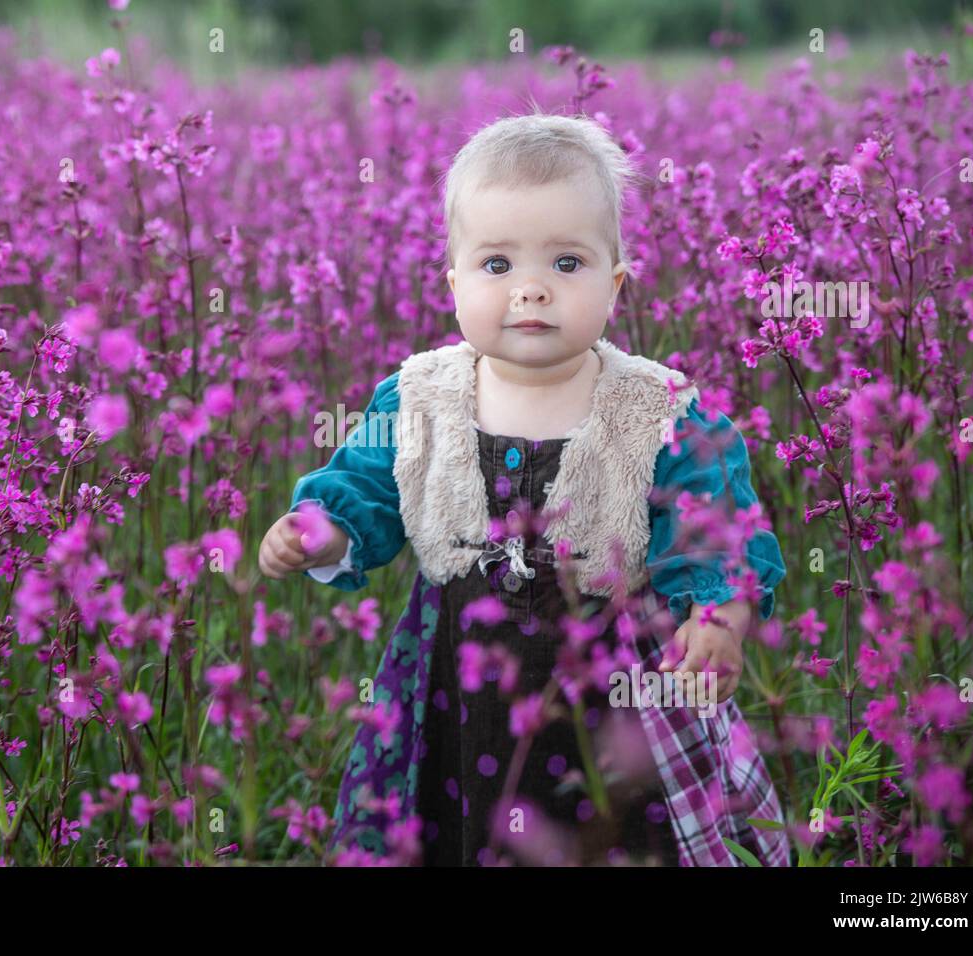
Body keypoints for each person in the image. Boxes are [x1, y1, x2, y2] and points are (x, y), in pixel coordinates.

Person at [259, 111, 790, 867]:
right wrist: (321, 528)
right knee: (455, 825)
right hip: (455, 681)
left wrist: (717, 618)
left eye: (566, 265)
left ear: (616, 284)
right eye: (497, 265)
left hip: (617, 692)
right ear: (453, 282)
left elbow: (718, 525)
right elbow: (366, 488)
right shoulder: (418, 397)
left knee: (621, 834)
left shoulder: (657, 407)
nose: (531, 291)